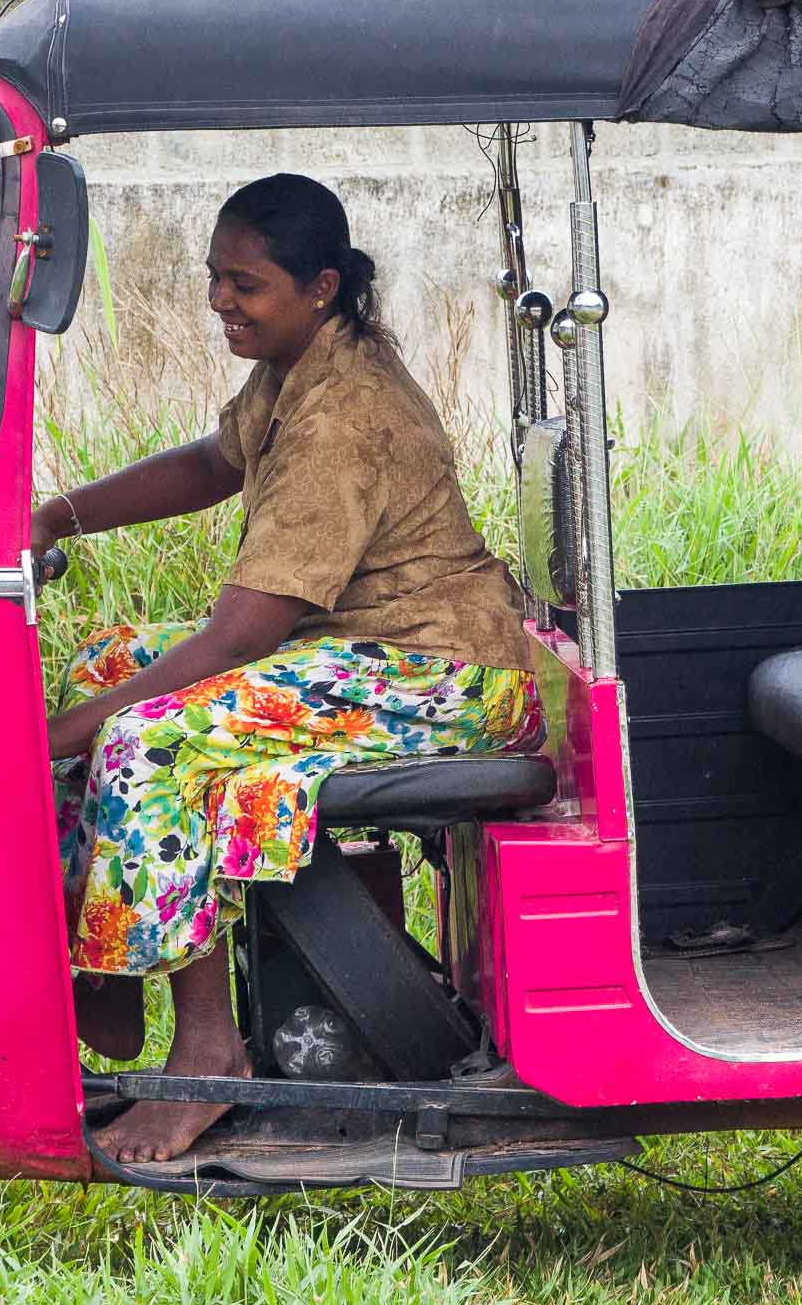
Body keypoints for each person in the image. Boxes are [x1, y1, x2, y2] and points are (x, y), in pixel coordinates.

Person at [36, 172, 541, 1165]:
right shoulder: (297, 360)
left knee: (150, 734)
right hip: (365, 647)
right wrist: (56, 514)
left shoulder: (340, 416)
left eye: (245, 283)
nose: (221, 300)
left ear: (318, 285)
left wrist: (54, 740)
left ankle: (207, 1052)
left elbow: (237, 639)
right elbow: (214, 461)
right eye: (215, 277)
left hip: (445, 675)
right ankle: (111, 947)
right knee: (107, 664)